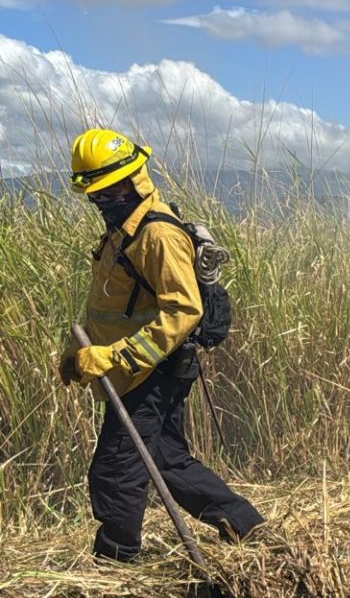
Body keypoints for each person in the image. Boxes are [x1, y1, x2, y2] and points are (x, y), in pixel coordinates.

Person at [58, 128, 264, 561]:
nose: (102, 202)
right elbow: (114, 306)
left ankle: (117, 566)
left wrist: (115, 357)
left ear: (136, 179)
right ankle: (248, 529)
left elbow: (183, 311)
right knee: (168, 462)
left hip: (154, 372)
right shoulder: (121, 232)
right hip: (134, 371)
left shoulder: (158, 236)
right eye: (95, 195)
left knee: (116, 471)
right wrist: (79, 355)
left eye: (109, 192)